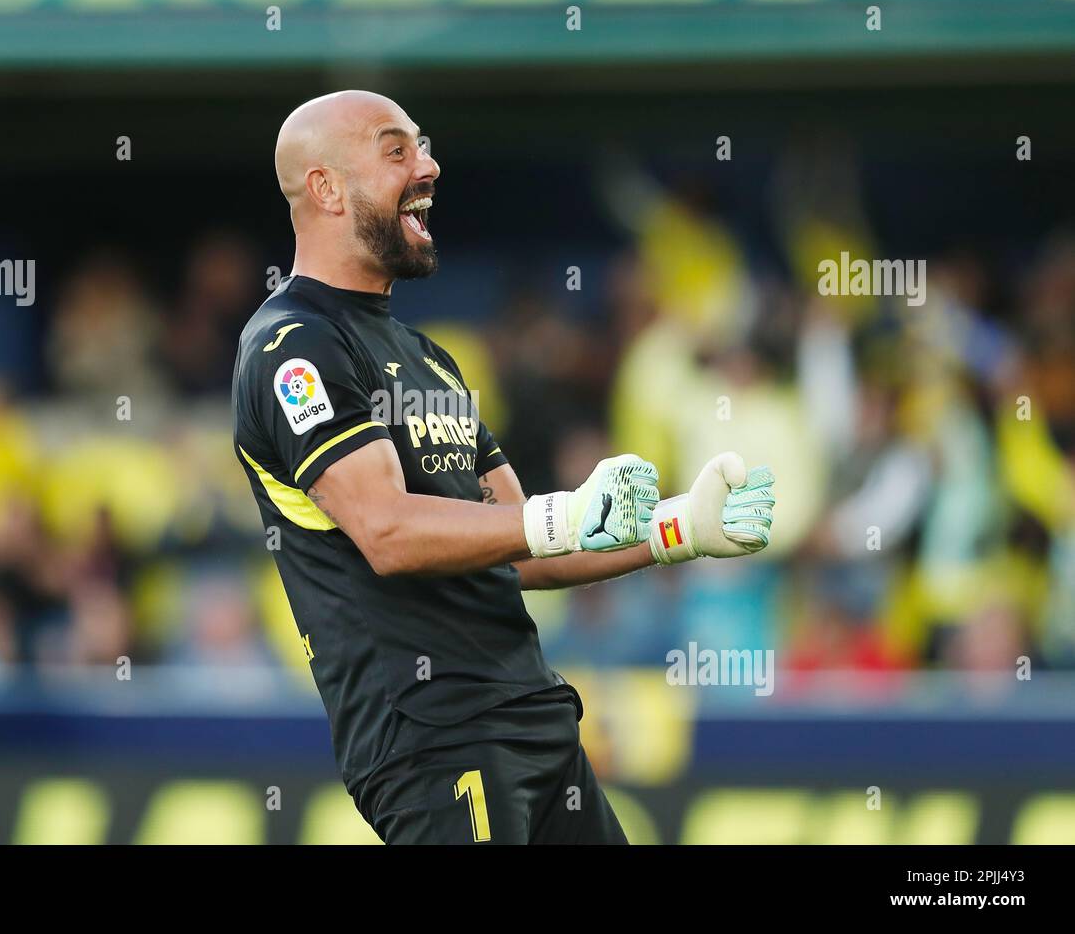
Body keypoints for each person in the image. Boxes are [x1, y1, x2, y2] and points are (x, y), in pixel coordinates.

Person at [231, 90, 776, 843]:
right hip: (433, 739)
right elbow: (387, 532)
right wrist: (567, 514)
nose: (429, 165)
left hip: (537, 722)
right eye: (397, 151)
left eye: (423, 145)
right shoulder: (294, 346)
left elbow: (526, 551)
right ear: (325, 188)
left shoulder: (431, 362)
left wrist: (676, 528)